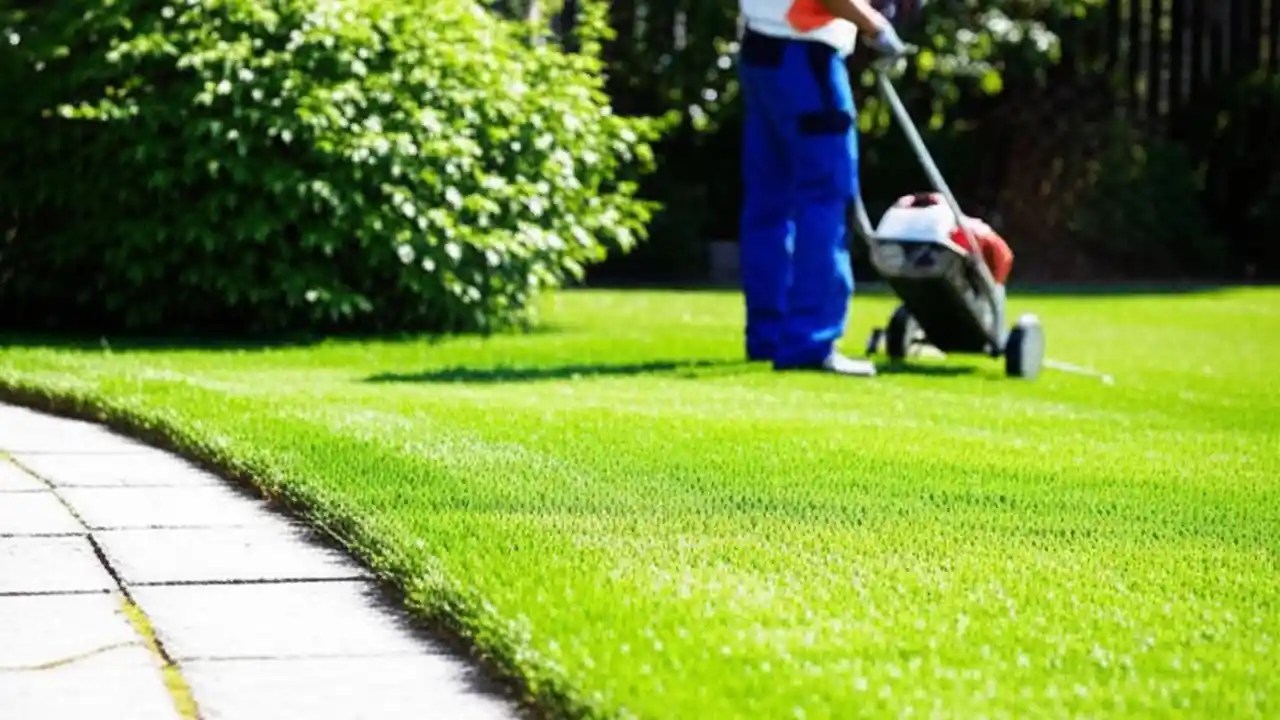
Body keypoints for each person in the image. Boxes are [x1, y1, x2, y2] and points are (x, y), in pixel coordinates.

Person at [737, 0, 908, 377]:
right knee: (825, 199)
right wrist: (875, 25)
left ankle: (769, 334)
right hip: (807, 57)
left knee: (769, 204)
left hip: (760, 52)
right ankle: (809, 341)